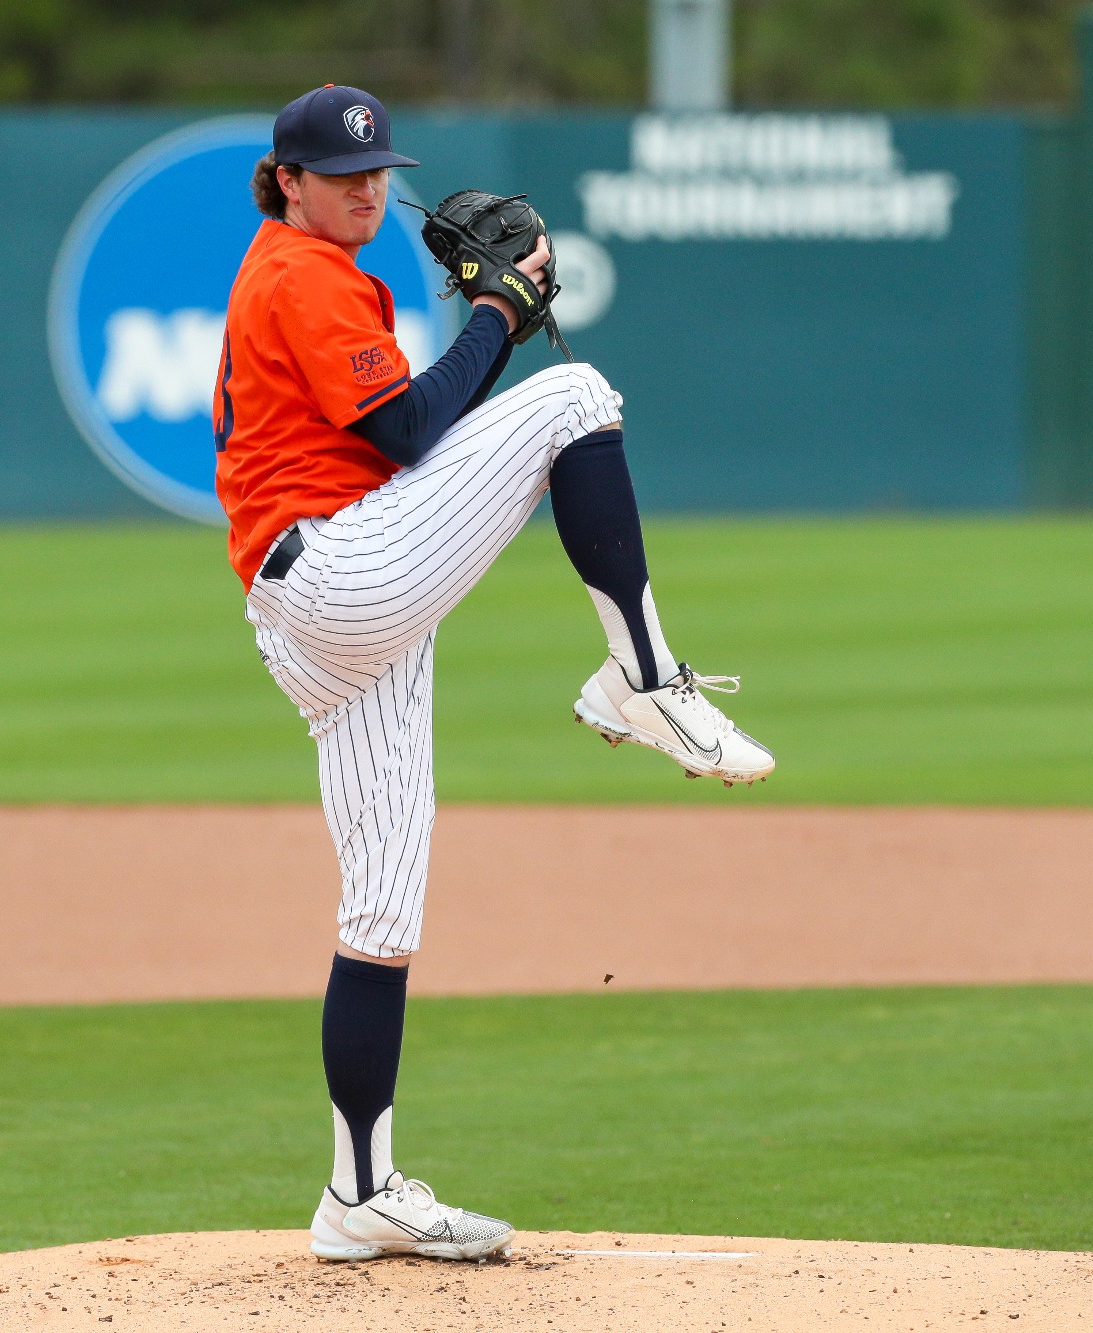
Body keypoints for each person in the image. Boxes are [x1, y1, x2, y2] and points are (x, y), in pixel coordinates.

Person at [213, 85, 775, 1263]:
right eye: (338, 172)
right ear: (286, 179)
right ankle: (644, 679)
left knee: (380, 911)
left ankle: (356, 1193)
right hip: (339, 572)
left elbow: (395, 436)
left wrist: (487, 318)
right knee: (576, 397)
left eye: (376, 170)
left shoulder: (313, 267)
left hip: (320, 607)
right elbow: (411, 434)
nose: (365, 187)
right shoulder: (300, 275)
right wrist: (502, 313)